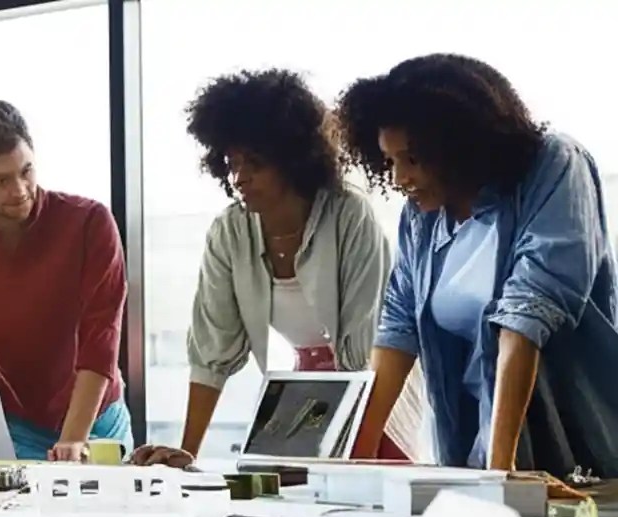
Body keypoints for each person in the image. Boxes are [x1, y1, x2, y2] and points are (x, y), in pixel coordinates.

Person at [338, 53, 618, 477]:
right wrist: (347, 464)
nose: (398, 179)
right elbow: (397, 331)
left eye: (412, 159)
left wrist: (500, 472)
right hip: (476, 456)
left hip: (582, 453)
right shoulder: (422, 215)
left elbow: (527, 313)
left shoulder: (554, 166)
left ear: (456, 143)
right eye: (390, 161)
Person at [130, 69, 426, 469]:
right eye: (231, 162)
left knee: (366, 493)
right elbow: (211, 352)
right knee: (283, 493)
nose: (239, 177)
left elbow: (364, 349)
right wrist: (190, 454)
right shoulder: (229, 231)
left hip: (376, 383)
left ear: (293, 160)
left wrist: (349, 459)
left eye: (254, 163)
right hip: (309, 383)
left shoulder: (349, 215)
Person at [0, 97, 130, 461]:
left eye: (26, 171)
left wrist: (74, 439)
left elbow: (101, 338)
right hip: (10, 424)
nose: (18, 190)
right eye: (0, 180)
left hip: (93, 421)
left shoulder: (90, 223)